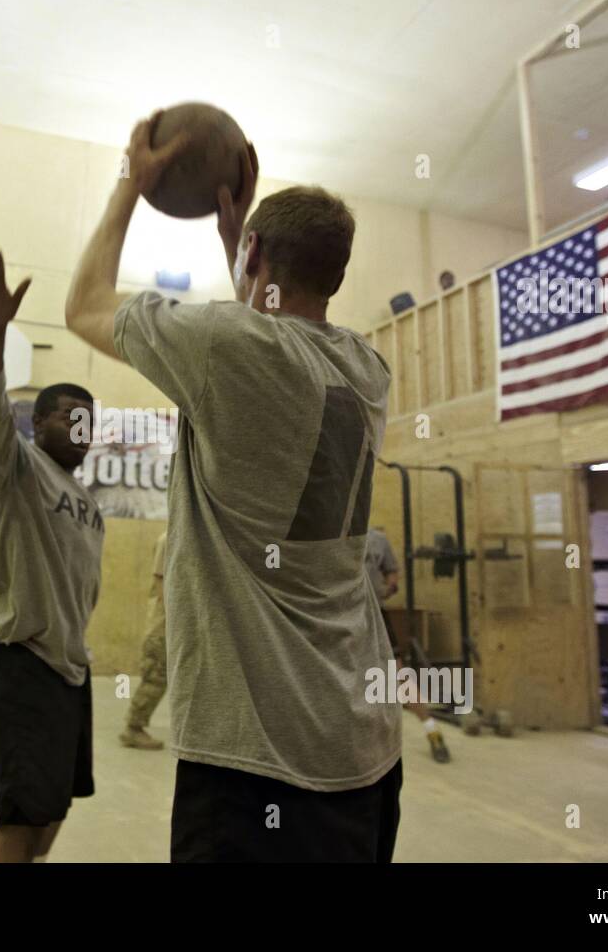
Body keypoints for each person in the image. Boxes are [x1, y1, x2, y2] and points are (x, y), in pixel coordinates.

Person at [65, 112, 402, 862]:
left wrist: (131, 180)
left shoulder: (224, 345)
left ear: (254, 254)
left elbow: (83, 304)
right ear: (337, 274)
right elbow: (276, 336)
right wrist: (241, 244)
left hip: (258, 758)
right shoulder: (368, 370)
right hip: (363, 746)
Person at [0, 248, 104, 863]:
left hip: (70, 670)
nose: (82, 433)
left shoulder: (87, 500)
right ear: (39, 422)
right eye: (71, 420)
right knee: (21, 820)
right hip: (20, 662)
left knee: (51, 813)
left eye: (89, 425)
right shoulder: (16, 469)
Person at [366, 527, 451, 763]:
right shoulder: (331, 534)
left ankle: (432, 730)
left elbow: (392, 573)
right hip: (341, 616)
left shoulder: (377, 538)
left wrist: (388, 588)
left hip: (375, 614)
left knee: (399, 672)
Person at [121, 531, 168, 750]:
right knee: (155, 679)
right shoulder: (168, 539)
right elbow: (161, 582)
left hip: (173, 628)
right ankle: (133, 728)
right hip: (163, 629)